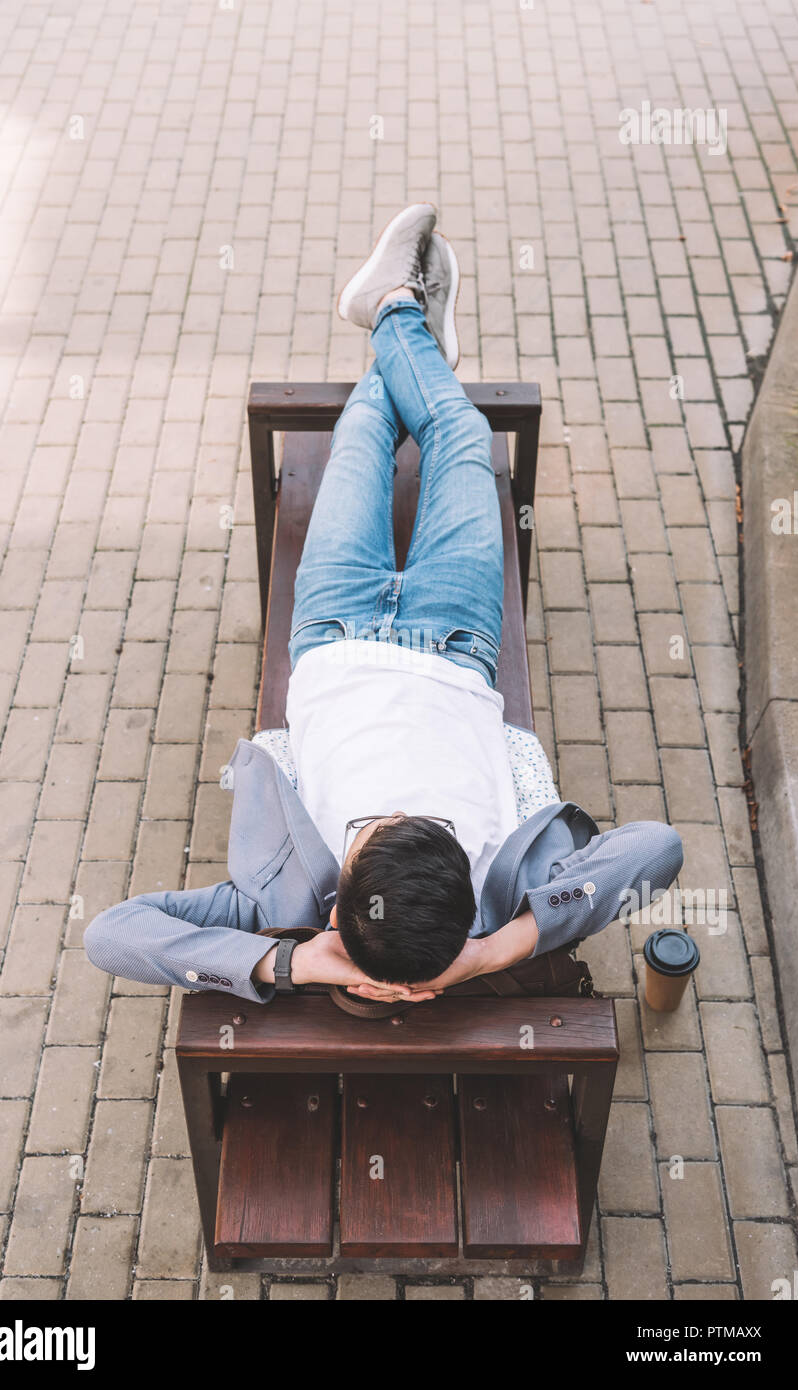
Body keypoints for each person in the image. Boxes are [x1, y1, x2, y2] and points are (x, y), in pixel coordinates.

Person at [85, 204, 683, 1007]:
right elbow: (656, 848)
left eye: (375, 828)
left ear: (336, 911)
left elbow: (112, 932)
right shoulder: (501, 893)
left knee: (365, 428)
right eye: (412, 820)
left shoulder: (282, 898)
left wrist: (291, 965)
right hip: (458, 633)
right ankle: (405, 316)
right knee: (461, 435)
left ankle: (398, 316)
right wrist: (493, 953)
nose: (395, 807)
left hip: (332, 620)